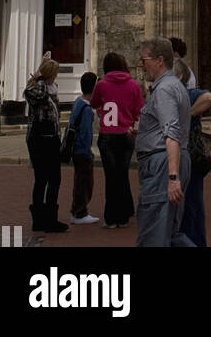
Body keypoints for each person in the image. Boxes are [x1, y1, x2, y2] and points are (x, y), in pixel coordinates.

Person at [135, 37, 196, 247]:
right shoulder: (174, 86)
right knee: (170, 232)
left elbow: (172, 132)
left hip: (162, 164)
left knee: (154, 232)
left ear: (159, 60)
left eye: (144, 60)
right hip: (170, 160)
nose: (141, 65)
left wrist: (172, 177)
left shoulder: (164, 90)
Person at [91, 51, 144, 228]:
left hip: (108, 135)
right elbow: (139, 111)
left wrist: (102, 110)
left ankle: (112, 217)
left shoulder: (102, 84)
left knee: (110, 176)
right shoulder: (134, 86)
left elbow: (94, 103)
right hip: (126, 134)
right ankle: (123, 215)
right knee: (122, 174)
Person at [173, 58, 211, 247]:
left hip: (190, 156)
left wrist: (188, 114)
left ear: (180, 76)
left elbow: (210, 98)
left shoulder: (187, 94)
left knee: (191, 206)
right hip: (175, 157)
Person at [24, 54, 67, 232]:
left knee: (54, 179)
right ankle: (40, 220)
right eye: (55, 72)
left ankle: (50, 217)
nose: (57, 76)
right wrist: (40, 74)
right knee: (42, 179)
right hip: (39, 140)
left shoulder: (51, 88)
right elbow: (39, 96)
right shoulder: (37, 90)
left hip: (52, 138)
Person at [67, 70, 99, 224]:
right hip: (82, 151)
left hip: (75, 149)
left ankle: (77, 211)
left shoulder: (78, 103)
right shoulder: (86, 110)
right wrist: (88, 152)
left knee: (80, 181)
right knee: (84, 183)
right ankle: (79, 212)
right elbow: (86, 134)